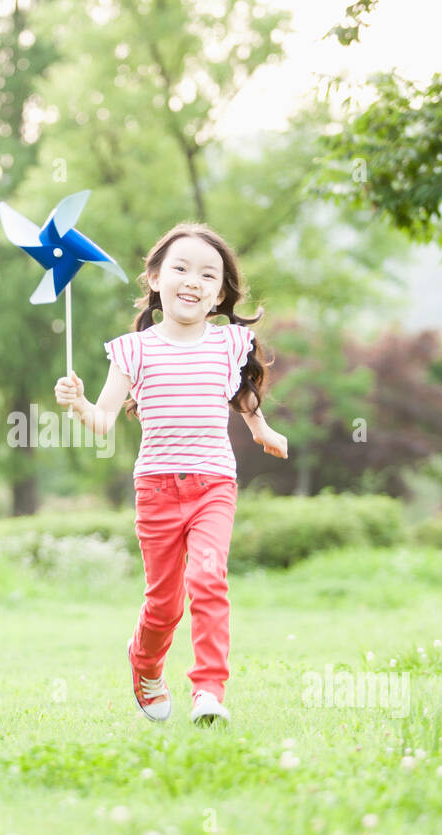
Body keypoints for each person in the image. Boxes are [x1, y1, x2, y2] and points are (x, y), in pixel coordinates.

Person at [55, 224, 287, 727]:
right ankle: (145, 664)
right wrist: (79, 404)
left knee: (208, 578)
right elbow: (102, 422)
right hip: (157, 489)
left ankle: (209, 690)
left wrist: (263, 430)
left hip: (213, 486)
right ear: (156, 279)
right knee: (164, 605)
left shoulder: (230, 344)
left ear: (220, 294)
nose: (193, 281)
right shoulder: (133, 350)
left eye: (208, 275)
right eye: (180, 268)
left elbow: (243, 395)